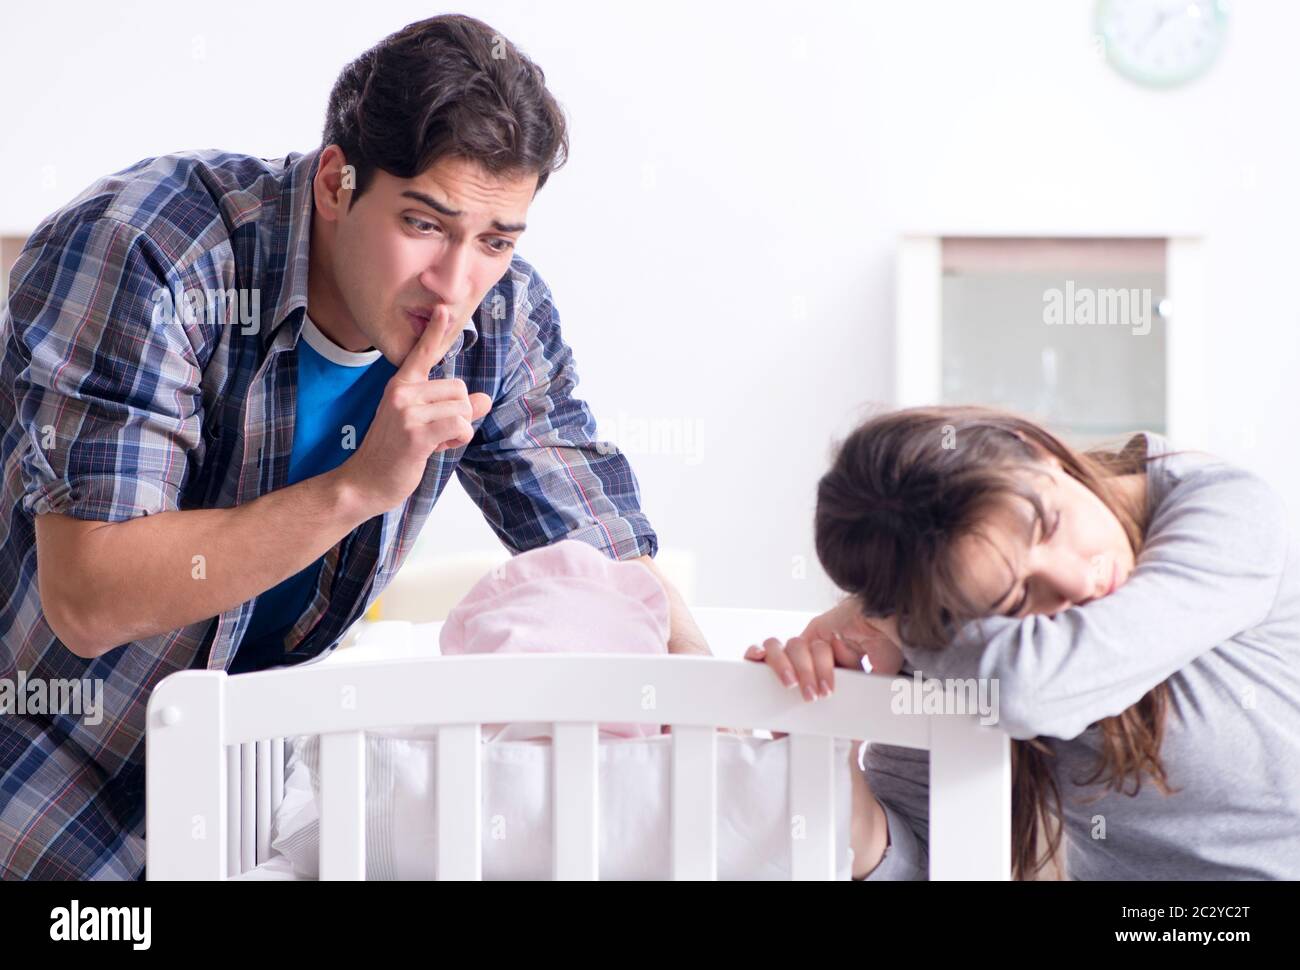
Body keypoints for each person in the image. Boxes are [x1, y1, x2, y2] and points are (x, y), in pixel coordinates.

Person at [0, 14, 707, 880]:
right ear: (336, 182)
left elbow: (611, 565)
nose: (456, 284)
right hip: (53, 741)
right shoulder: (153, 249)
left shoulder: (501, 318)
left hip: (255, 764)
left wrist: (738, 728)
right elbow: (89, 595)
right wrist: (357, 487)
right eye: (424, 223)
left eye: (495, 241)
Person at [747, 404, 1300, 880]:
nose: (1079, 580)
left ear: (1034, 447)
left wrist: (885, 620)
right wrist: (830, 759)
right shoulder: (963, 645)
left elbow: (1024, 691)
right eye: (1016, 602)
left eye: (1050, 524)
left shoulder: (1226, 509)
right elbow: (927, 862)